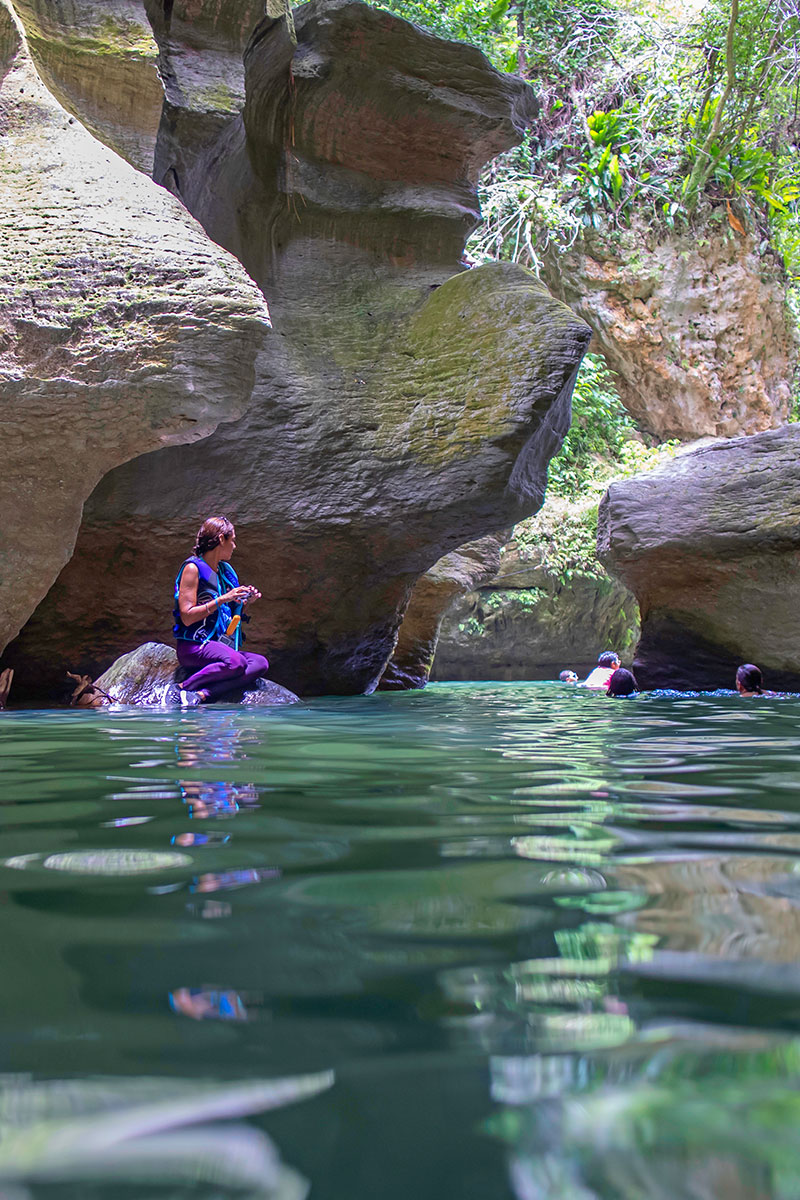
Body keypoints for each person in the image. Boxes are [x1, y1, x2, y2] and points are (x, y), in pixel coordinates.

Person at [172, 516, 269, 704]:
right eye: (232, 540)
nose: (234, 546)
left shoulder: (225, 571)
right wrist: (223, 598)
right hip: (195, 647)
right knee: (236, 663)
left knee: (260, 663)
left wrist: (246, 600)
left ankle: (204, 694)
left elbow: (230, 608)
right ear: (221, 539)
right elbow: (187, 617)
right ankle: (184, 687)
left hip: (219, 646)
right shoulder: (193, 569)